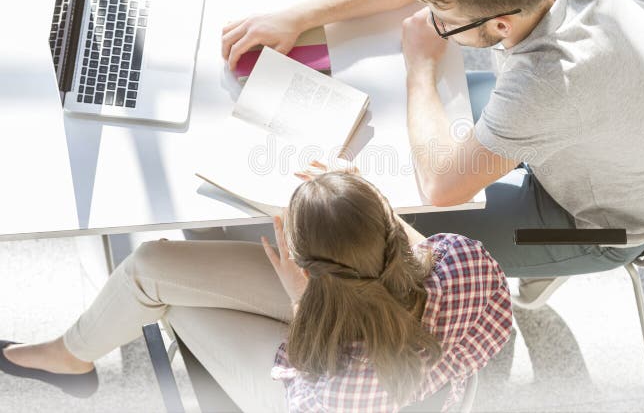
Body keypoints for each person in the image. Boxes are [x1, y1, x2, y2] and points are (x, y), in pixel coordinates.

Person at [220, 0, 644, 305]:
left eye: (443, 22)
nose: (431, 23)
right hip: (595, 138)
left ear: (501, 26)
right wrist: (297, 16)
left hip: (596, 226)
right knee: (395, 140)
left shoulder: (547, 82)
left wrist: (420, 66)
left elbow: (442, 187)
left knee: (377, 230)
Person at [0, 169, 512, 411]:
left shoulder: (340, 394)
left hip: (328, 385)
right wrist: (353, 197)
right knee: (153, 266)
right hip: (368, 337)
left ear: (306, 269)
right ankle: (71, 354)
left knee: (170, 296)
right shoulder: (464, 259)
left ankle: (71, 358)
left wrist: (298, 301)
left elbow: (305, 382)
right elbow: (412, 248)